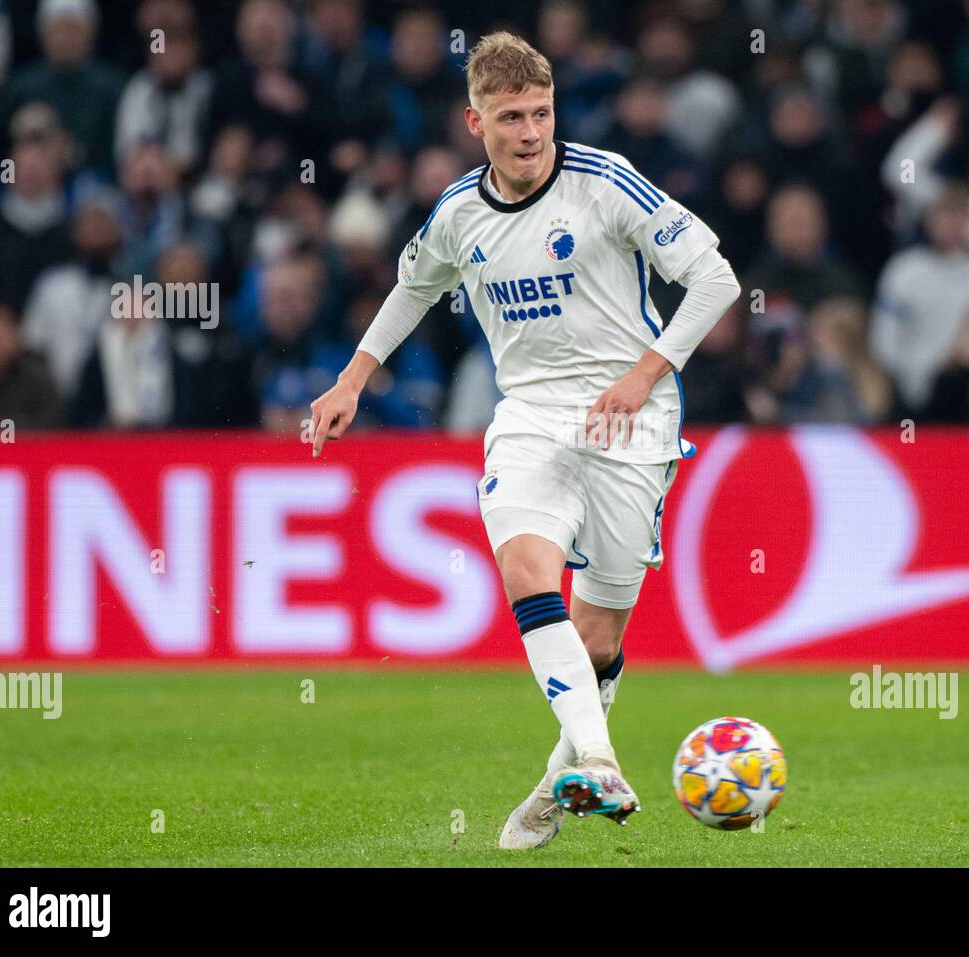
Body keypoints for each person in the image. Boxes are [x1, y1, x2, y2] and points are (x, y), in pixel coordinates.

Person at [307, 32, 740, 848]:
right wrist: (353, 378)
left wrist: (645, 372)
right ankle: (604, 763)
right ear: (476, 121)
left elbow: (716, 276)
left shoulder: (605, 182)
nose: (532, 131)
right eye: (512, 117)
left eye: (542, 112)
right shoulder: (458, 213)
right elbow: (411, 289)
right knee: (524, 567)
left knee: (600, 632)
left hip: (633, 418)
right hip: (531, 414)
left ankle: (557, 778)